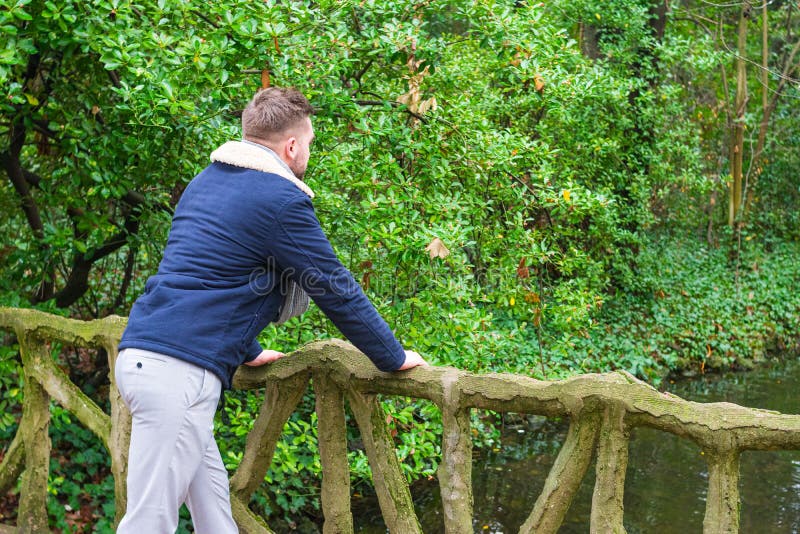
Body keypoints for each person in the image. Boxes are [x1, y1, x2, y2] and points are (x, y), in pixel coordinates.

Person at [114, 87, 428, 533]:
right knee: (148, 523)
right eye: (310, 144)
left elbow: (208, 277)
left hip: (149, 357)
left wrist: (244, 347)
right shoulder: (280, 199)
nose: (308, 154)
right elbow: (334, 288)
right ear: (293, 145)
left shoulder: (207, 181)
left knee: (214, 513)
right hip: (178, 373)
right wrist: (392, 357)